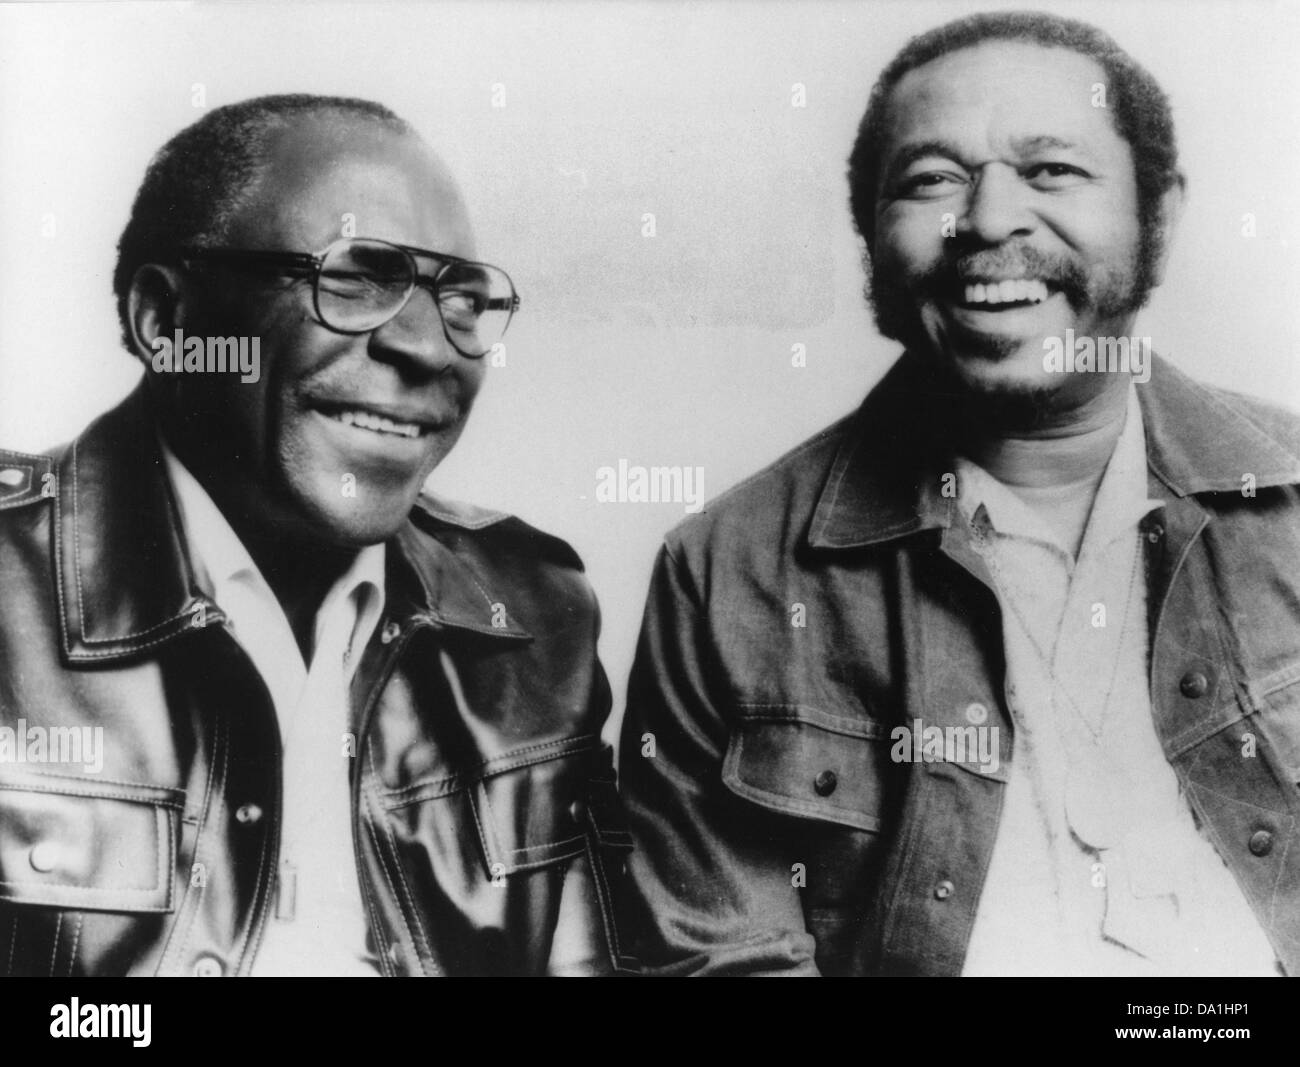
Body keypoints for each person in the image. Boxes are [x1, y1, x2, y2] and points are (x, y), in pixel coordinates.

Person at [616, 11, 1300, 976]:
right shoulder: (723, 575)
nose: (987, 220)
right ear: (870, 238)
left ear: (1160, 211)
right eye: (932, 179)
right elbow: (713, 961)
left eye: (1052, 170)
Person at [0, 94, 627, 976]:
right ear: (166, 321)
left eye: (462, 299)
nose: (431, 348)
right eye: (355, 278)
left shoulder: (533, 618)